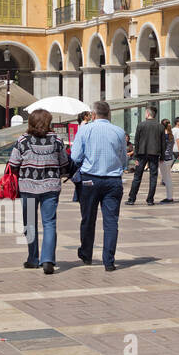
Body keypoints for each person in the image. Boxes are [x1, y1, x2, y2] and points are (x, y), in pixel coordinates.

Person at [8, 109, 69, 274]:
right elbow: (64, 163)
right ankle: (48, 259)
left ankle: (32, 259)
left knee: (30, 223)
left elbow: (13, 164)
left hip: (27, 187)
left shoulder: (23, 140)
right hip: (51, 187)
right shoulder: (57, 140)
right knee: (49, 223)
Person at [70, 100, 127, 272]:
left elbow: (75, 156)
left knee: (88, 218)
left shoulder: (85, 130)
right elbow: (124, 158)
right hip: (113, 181)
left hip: (90, 179)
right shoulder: (119, 131)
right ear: (108, 114)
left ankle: (86, 253)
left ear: (93, 115)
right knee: (111, 221)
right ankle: (108, 260)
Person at [127, 108, 164, 206]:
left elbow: (137, 141)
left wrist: (135, 157)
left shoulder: (141, 125)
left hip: (141, 154)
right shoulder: (160, 126)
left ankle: (131, 199)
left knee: (137, 177)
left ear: (147, 114)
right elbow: (163, 143)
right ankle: (150, 199)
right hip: (154, 154)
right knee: (153, 177)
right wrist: (162, 157)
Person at [157, 118, 177, 203]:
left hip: (164, 158)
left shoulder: (163, 135)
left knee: (166, 178)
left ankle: (169, 197)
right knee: (168, 178)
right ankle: (169, 196)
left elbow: (162, 147)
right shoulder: (170, 134)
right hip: (170, 157)